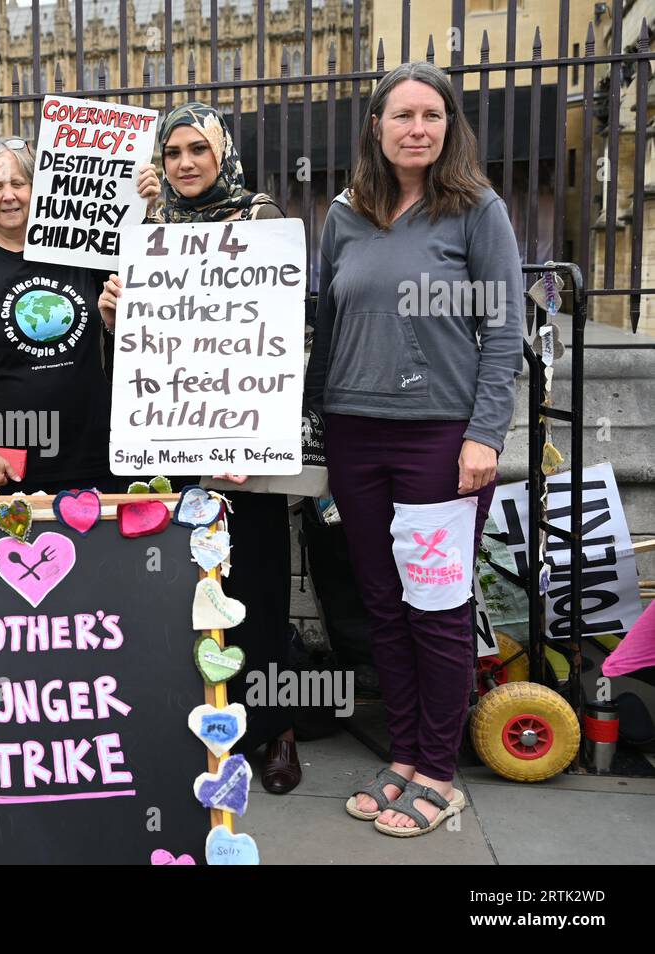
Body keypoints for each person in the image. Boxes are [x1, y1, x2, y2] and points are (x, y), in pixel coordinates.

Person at [306, 62, 522, 836]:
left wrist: (483, 436)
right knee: (384, 605)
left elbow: (505, 333)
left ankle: (439, 770)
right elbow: (326, 329)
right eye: (403, 116)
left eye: (432, 116)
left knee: (437, 607)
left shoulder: (476, 210)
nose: (418, 129)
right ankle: (403, 754)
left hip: (441, 437)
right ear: (377, 125)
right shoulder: (344, 214)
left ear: (449, 126)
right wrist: (314, 424)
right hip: (355, 435)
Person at [99, 103, 303, 795]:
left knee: (258, 583)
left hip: (245, 439)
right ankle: (201, 723)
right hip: (175, 435)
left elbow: (289, 326)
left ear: (224, 154)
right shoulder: (151, 230)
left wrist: (262, 426)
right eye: (175, 151)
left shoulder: (261, 219)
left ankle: (273, 729)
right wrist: (114, 314)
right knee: (186, 587)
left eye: (198, 149)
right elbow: (134, 351)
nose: (186, 162)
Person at [0, 137, 156, 494]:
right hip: (8, 460)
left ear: (37, 189)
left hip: (94, 453)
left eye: (19, 183)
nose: (9, 195)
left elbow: (140, 281)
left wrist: (139, 203)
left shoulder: (82, 250)